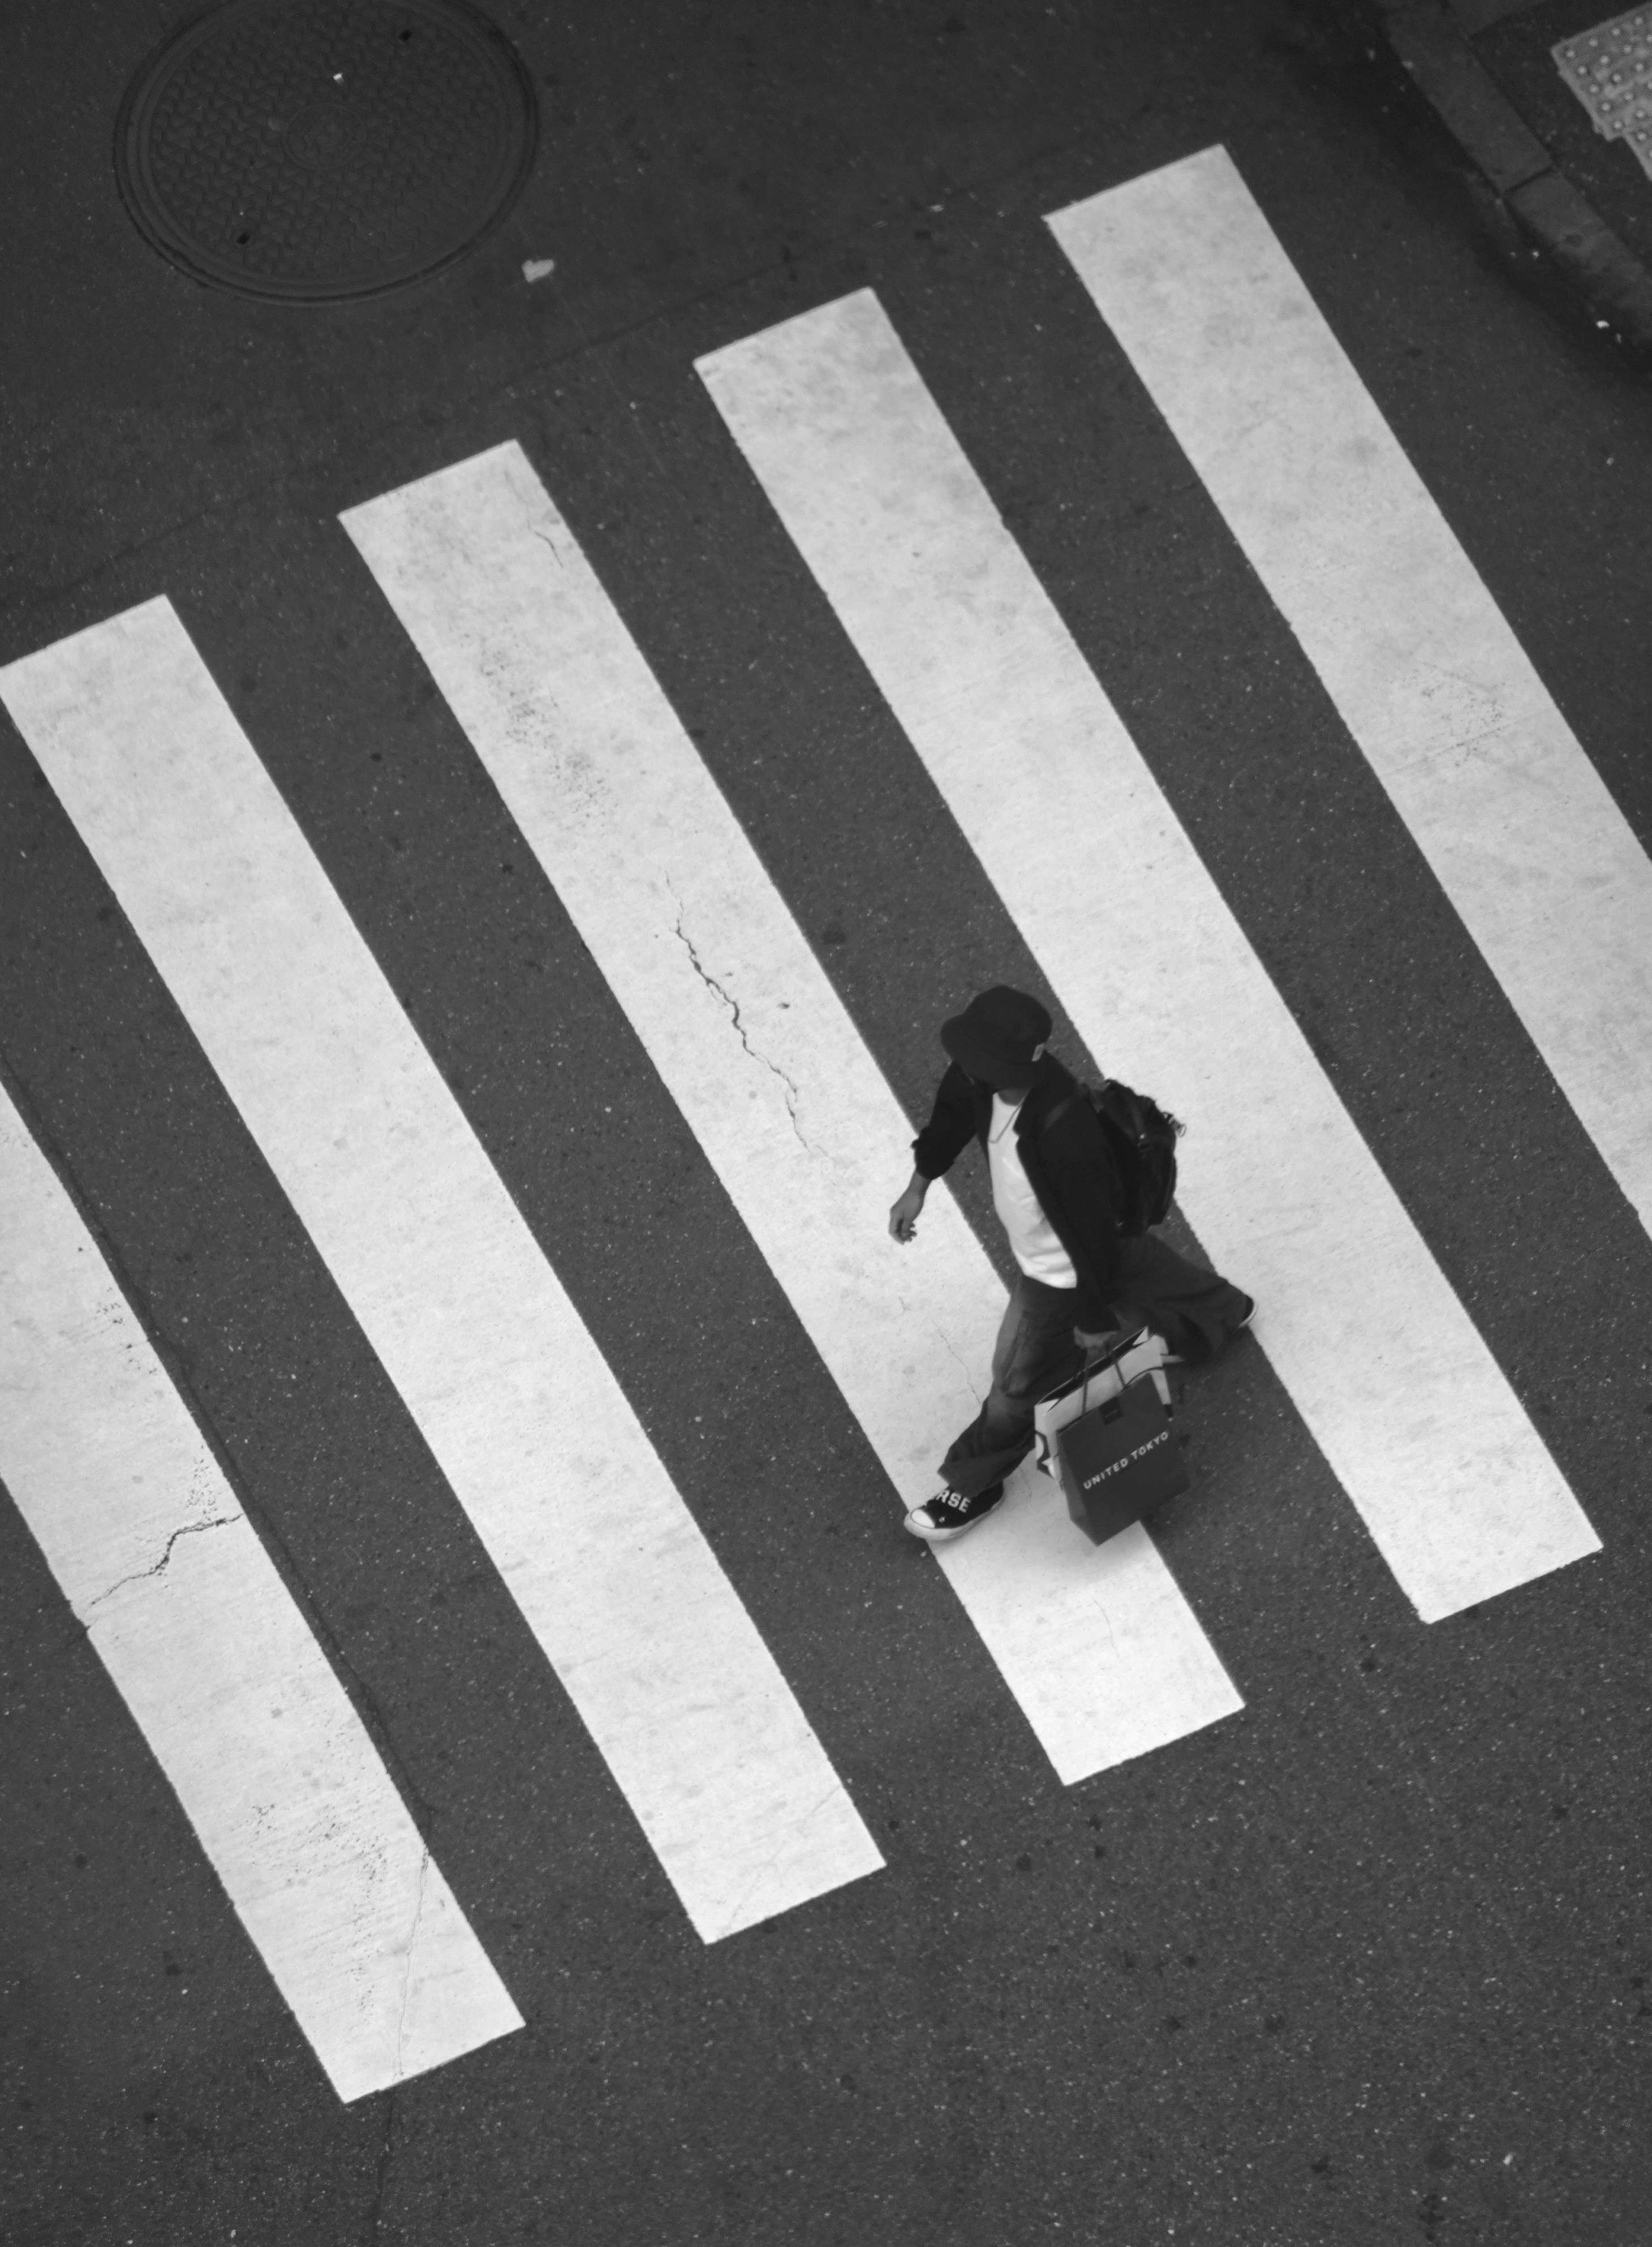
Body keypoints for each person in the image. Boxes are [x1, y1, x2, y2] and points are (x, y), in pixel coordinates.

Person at [889, 985, 1253, 1543]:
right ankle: (1223, 1312)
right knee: (1140, 1263)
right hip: (1093, 1242)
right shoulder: (976, 1081)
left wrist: (1090, 1315)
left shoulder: (1064, 1134)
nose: (959, 1062)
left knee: (1015, 1383)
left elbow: (1087, 1240)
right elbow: (947, 1123)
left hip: (1058, 1267)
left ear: (1001, 1064)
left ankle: (975, 1481)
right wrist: (917, 1187)